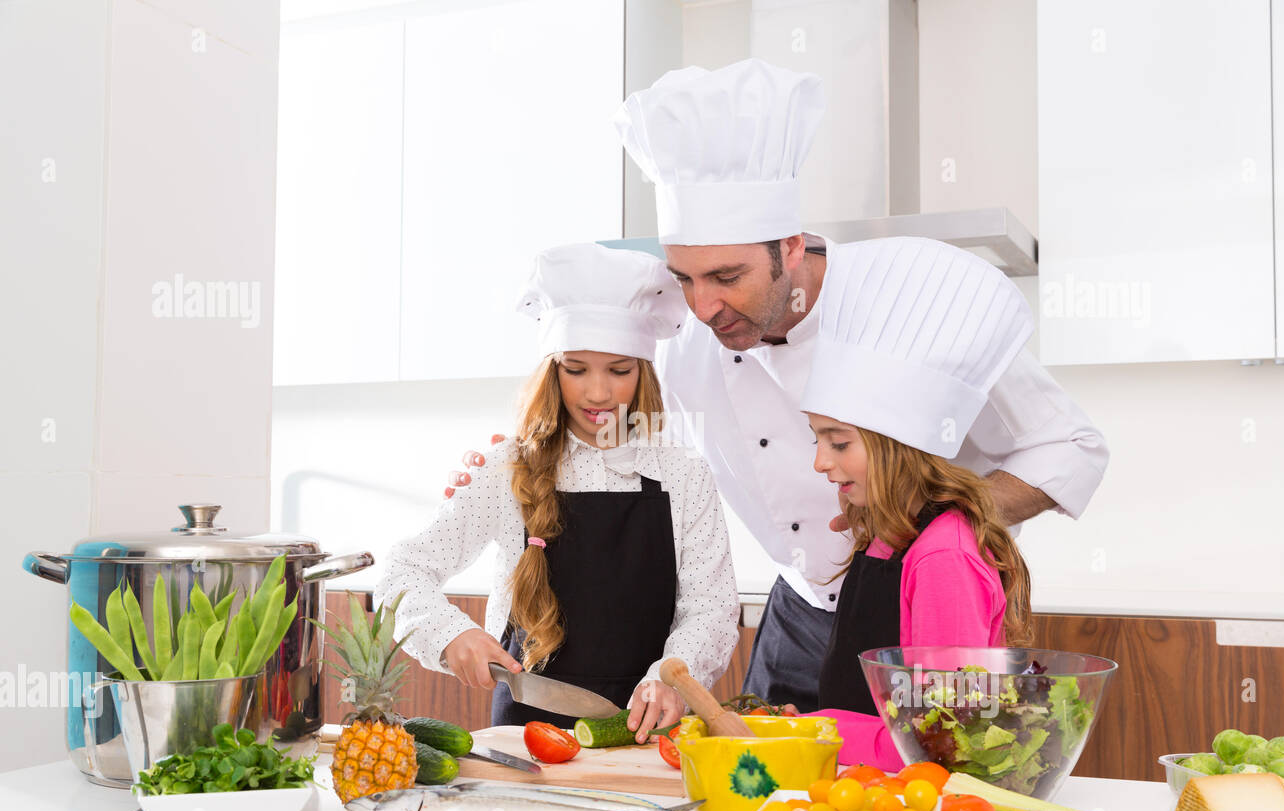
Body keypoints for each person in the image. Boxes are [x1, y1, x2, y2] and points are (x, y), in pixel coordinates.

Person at [450, 59, 1108, 714]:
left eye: (728, 277)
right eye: (685, 278)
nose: (703, 308)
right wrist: (516, 464)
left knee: (913, 791)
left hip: (920, 607)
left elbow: (1072, 448)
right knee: (764, 799)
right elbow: (619, 441)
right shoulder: (681, 341)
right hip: (794, 612)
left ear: (791, 248)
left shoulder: (912, 308)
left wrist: (940, 519)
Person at [375, 243, 740, 741]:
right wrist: (449, 633)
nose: (597, 393)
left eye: (619, 370)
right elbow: (402, 571)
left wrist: (671, 678)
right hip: (525, 737)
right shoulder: (506, 467)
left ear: (644, 372)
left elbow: (712, 609)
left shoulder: (682, 474)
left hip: (650, 732)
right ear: (552, 371)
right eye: (576, 369)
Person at [800, 237, 1035, 752]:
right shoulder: (886, 539)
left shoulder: (942, 557)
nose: (820, 461)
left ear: (897, 446)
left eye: (838, 442)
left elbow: (947, 733)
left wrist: (815, 736)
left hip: (911, 803)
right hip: (860, 791)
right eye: (816, 439)